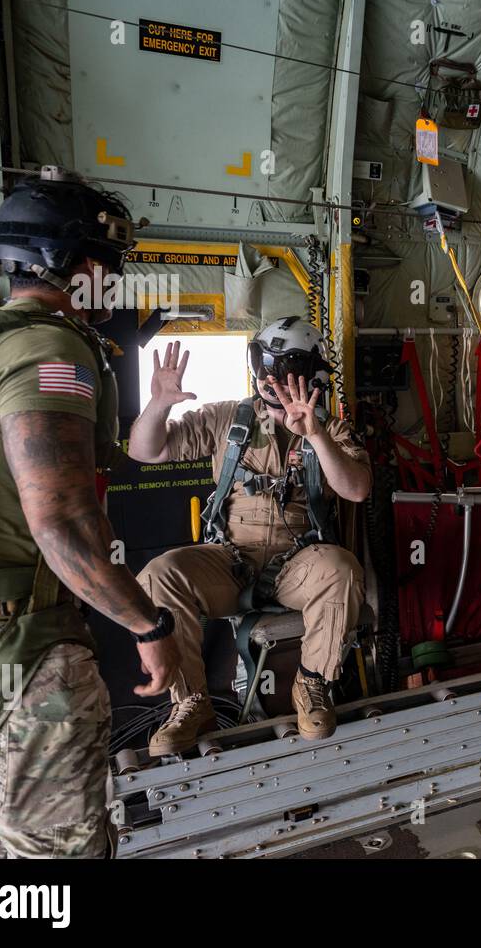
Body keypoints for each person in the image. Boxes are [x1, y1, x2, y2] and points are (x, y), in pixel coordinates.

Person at [0, 167, 178, 858]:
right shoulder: (51, 350)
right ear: (73, 264)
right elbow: (60, 521)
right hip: (26, 661)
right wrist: (149, 625)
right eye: (107, 265)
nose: (113, 283)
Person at [128, 317, 371, 753]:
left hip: (300, 564)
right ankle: (191, 703)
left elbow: (356, 488)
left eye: (283, 375)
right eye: (267, 374)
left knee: (343, 569)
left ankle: (312, 684)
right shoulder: (228, 419)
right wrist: (159, 404)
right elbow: (145, 449)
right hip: (231, 560)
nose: (272, 385)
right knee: (159, 573)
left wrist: (314, 434)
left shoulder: (331, 430)